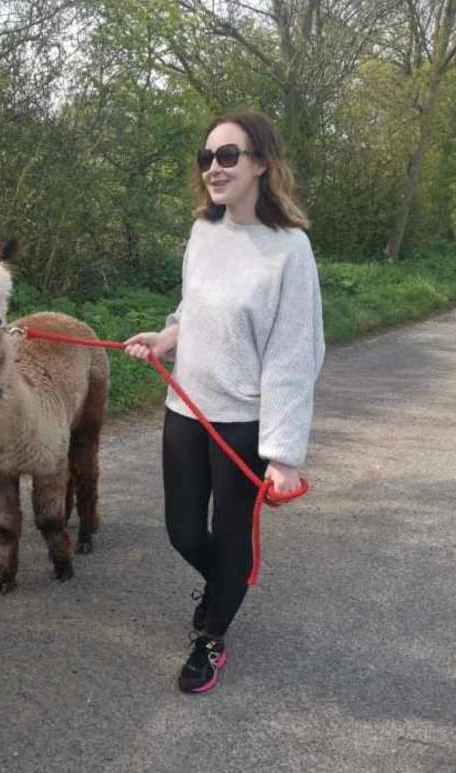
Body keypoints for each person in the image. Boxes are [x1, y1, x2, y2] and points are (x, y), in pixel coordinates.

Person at [124, 109, 325, 694]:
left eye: (229, 155)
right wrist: (165, 337)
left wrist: (284, 455)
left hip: (242, 424)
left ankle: (212, 638)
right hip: (185, 409)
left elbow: (294, 355)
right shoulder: (203, 233)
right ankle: (225, 588)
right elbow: (193, 309)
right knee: (183, 531)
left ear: (261, 163)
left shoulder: (290, 250)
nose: (214, 168)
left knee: (231, 534)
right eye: (207, 157)